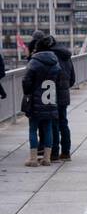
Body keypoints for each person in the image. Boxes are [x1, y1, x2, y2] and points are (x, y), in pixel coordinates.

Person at [22, 34, 67, 167]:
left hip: (36, 100)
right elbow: (59, 80)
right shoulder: (55, 62)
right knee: (48, 129)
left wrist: (28, 92)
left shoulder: (34, 62)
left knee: (33, 129)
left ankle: (33, 159)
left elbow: (26, 81)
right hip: (50, 100)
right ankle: (47, 158)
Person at [34, 33, 74, 161]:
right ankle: (66, 152)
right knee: (64, 122)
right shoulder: (67, 56)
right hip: (64, 93)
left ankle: (54, 153)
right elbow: (72, 79)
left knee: (54, 124)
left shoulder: (50, 58)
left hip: (52, 93)